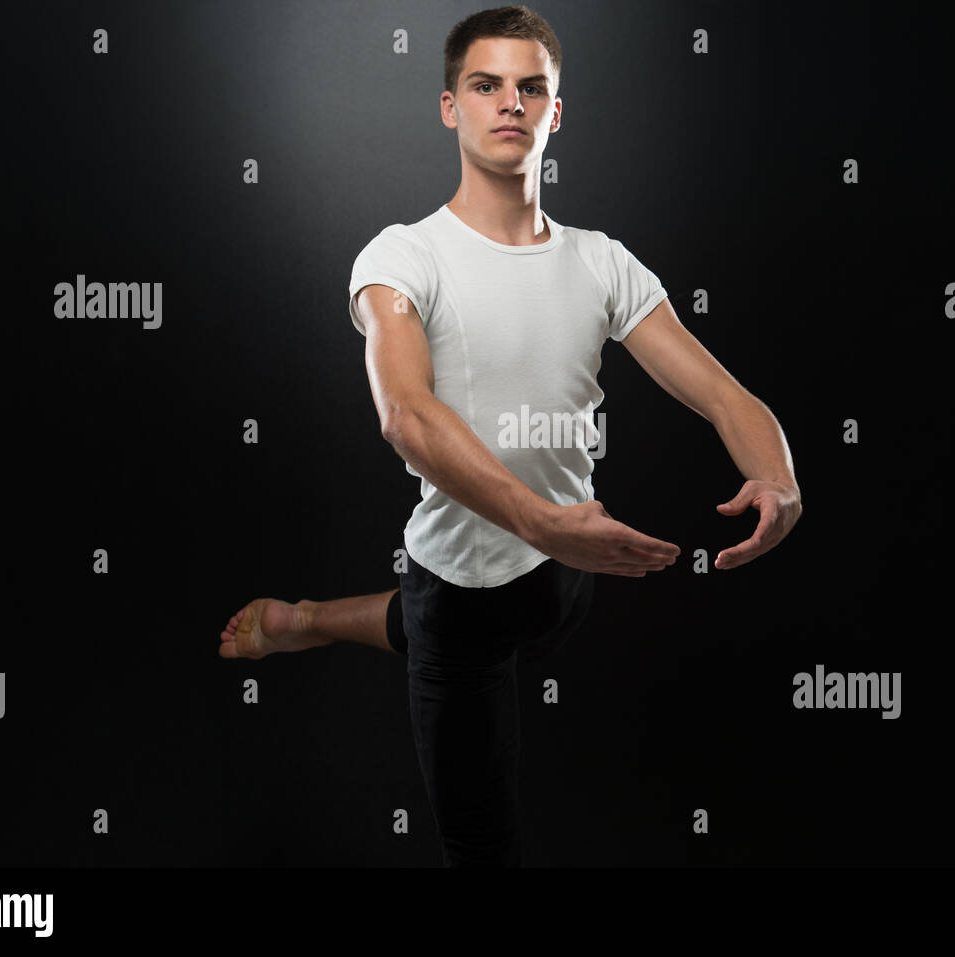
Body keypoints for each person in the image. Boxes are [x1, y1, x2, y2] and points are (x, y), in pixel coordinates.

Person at [219, 5, 803, 867]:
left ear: (556, 111)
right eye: (485, 85)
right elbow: (405, 415)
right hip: (464, 582)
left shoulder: (603, 262)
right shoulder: (401, 257)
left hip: (570, 571)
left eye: (532, 88)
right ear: (450, 106)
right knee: (479, 833)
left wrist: (777, 475)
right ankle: (303, 621)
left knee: (509, 611)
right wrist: (542, 522)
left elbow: (724, 394)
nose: (511, 105)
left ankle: (309, 618)